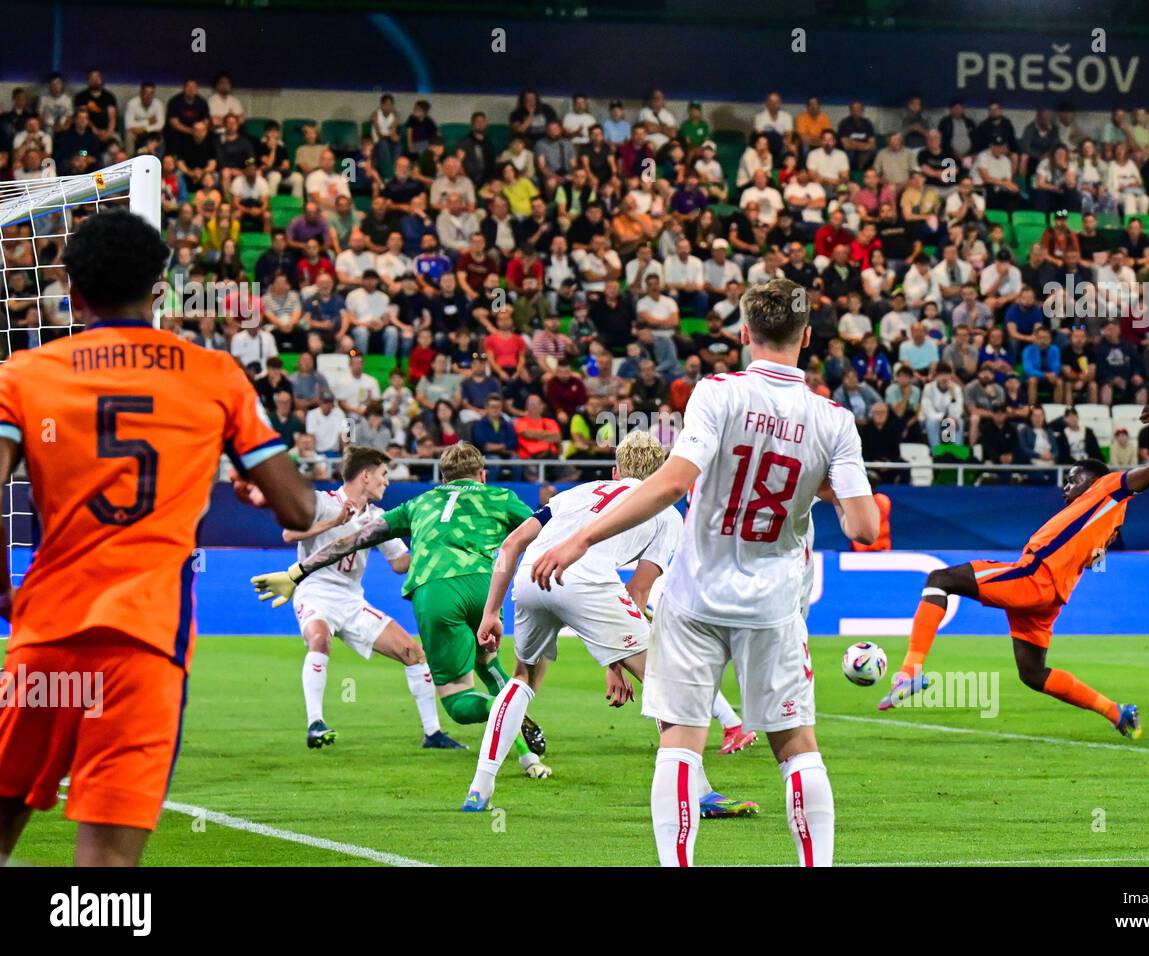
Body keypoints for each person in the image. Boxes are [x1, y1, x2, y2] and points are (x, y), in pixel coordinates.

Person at [0, 210, 315, 867]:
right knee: (108, 865)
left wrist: (6, 595)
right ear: (161, 289)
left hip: (47, 639)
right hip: (145, 647)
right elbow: (300, 507)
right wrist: (237, 467)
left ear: (72, 291)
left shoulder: (24, 375)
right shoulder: (215, 375)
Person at [529, 279, 879, 867]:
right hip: (773, 603)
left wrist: (581, 536)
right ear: (808, 338)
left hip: (694, 599)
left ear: (745, 334)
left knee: (680, 742)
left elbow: (671, 482)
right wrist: (816, 487)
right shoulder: (834, 420)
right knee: (796, 748)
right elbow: (865, 528)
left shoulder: (716, 392)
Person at [464, 432, 759, 815]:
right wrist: (616, 661)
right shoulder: (666, 511)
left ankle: (479, 790)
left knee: (523, 679)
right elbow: (637, 591)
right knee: (665, 681)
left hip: (530, 577)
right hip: (584, 579)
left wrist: (491, 612)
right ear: (662, 473)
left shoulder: (576, 494)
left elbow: (510, 546)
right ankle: (697, 792)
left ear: (615, 470)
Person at [252, 443, 549, 776]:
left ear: (442, 478)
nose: (387, 482)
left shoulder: (416, 504)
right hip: (483, 586)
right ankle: (527, 755)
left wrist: (295, 572)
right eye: (383, 475)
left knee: (454, 695)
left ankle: (497, 712)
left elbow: (354, 544)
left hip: (431, 592)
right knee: (487, 660)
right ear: (482, 475)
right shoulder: (501, 496)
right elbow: (546, 531)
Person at [879, 405, 1149, 739]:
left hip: (1034, 575)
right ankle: (1117, 712)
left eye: (1073, 479)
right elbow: (1093, 557)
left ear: (1094, 481)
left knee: (939, 580)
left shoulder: (1109, 488)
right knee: (1032, 673)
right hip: (1050, 598)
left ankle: (908, 672)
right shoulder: (1109, 521)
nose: (1066, 487)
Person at [276, 447, 461, 750]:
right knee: (320, 640)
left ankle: (433, 733)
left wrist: (436, 549)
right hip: (315, 592)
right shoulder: (324, 502)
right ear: (365, 476)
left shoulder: (379, 518)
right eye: (383, 475)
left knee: (413, 652)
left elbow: (400, 563)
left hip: (352, 601)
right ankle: (315, 723)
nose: (387, 482)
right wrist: (334, 522)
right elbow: (289, 534)